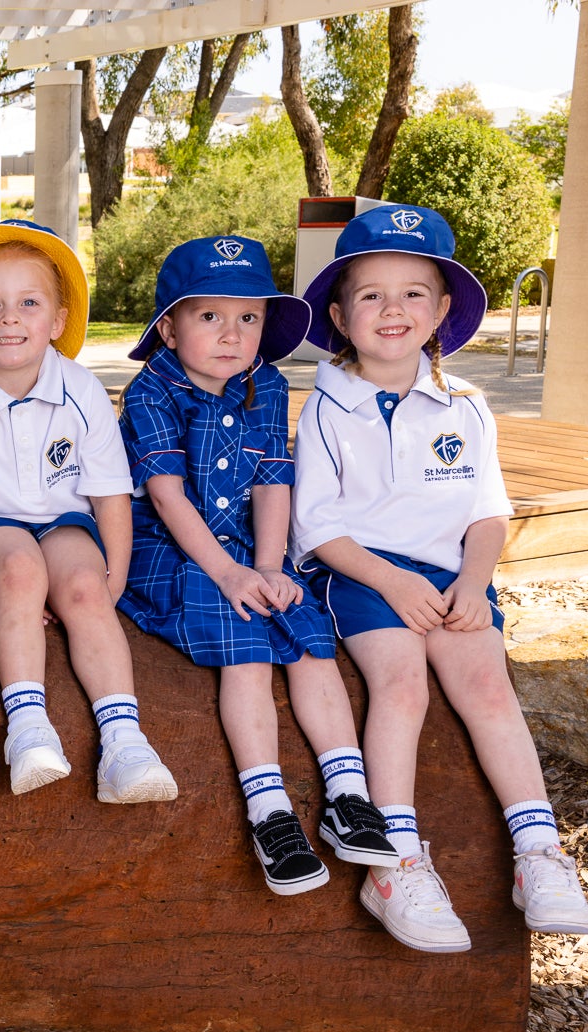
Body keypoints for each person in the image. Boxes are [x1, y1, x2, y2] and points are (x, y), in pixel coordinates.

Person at [292, 204, 588, 949]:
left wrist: (473, 581)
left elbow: (488, 510)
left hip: (453, 576)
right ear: (339, 312)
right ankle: (393, 862)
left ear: (443, 309)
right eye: (370, 294)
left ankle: (538, 850)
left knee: (488, 684)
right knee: (402, 681)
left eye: (414, 293)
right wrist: (391, 584)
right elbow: (317, 525)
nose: (392, 310)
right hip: (363, 573)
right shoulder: (328, 408)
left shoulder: (468, 406)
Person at [117, 235, 394, 897]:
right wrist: (231, 574)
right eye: (209, 315)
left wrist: (270, 566)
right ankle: (269, 810)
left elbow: (273, 479)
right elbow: (166, 493)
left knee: (304, 633)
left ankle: (347, 793)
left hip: (244, 540)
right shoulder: (151, 391)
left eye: (248, 318)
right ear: (169, 326)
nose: (231, 334)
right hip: (174, 547)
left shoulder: (265, 384)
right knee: (244, 642)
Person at [0, 220, 176, 805]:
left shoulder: (82, 390)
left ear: (57, 321)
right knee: (20, 572)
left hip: (65, 520)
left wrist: (113, 582)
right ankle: (28, 727)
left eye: (29, 303)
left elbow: (110, 494)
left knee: (83, 585)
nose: (10, 318)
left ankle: (124, 741)